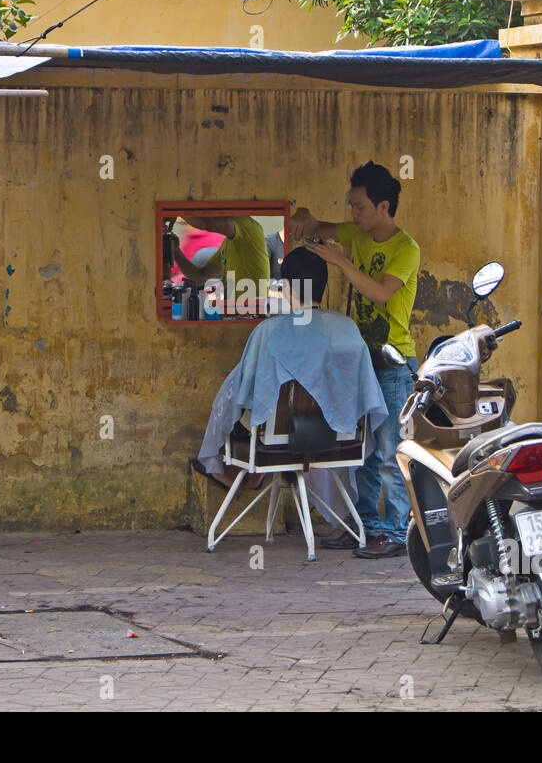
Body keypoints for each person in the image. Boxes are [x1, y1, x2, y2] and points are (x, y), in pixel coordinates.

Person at [288, 161, 420, 559]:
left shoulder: (405, 249)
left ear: (383, 206)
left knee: (392, 453)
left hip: (395, 365)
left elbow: (381, 294)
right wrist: (305, 219)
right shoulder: (353, 231)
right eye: (350, 205)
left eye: (359, 206)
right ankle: (365, 525)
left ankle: (396, 532)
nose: (353, 213)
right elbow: (319, 229)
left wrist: (342, 262)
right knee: (364, 451)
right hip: (362, 362)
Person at [195, 248, 387, 507]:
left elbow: (239, 392)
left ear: (285, 287)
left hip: (275, 443)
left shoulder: (269, 332)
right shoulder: (346, 328)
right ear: (322, 285)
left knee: (229, 405)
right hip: (338, 439)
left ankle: (234, 472)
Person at [172, 215, 268, 295]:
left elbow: (208, 224)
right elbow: (200, 276)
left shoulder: (249, 226)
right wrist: (175, 250)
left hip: (253, 313)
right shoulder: (227, 244)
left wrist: (178, 211)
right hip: (235, 312)